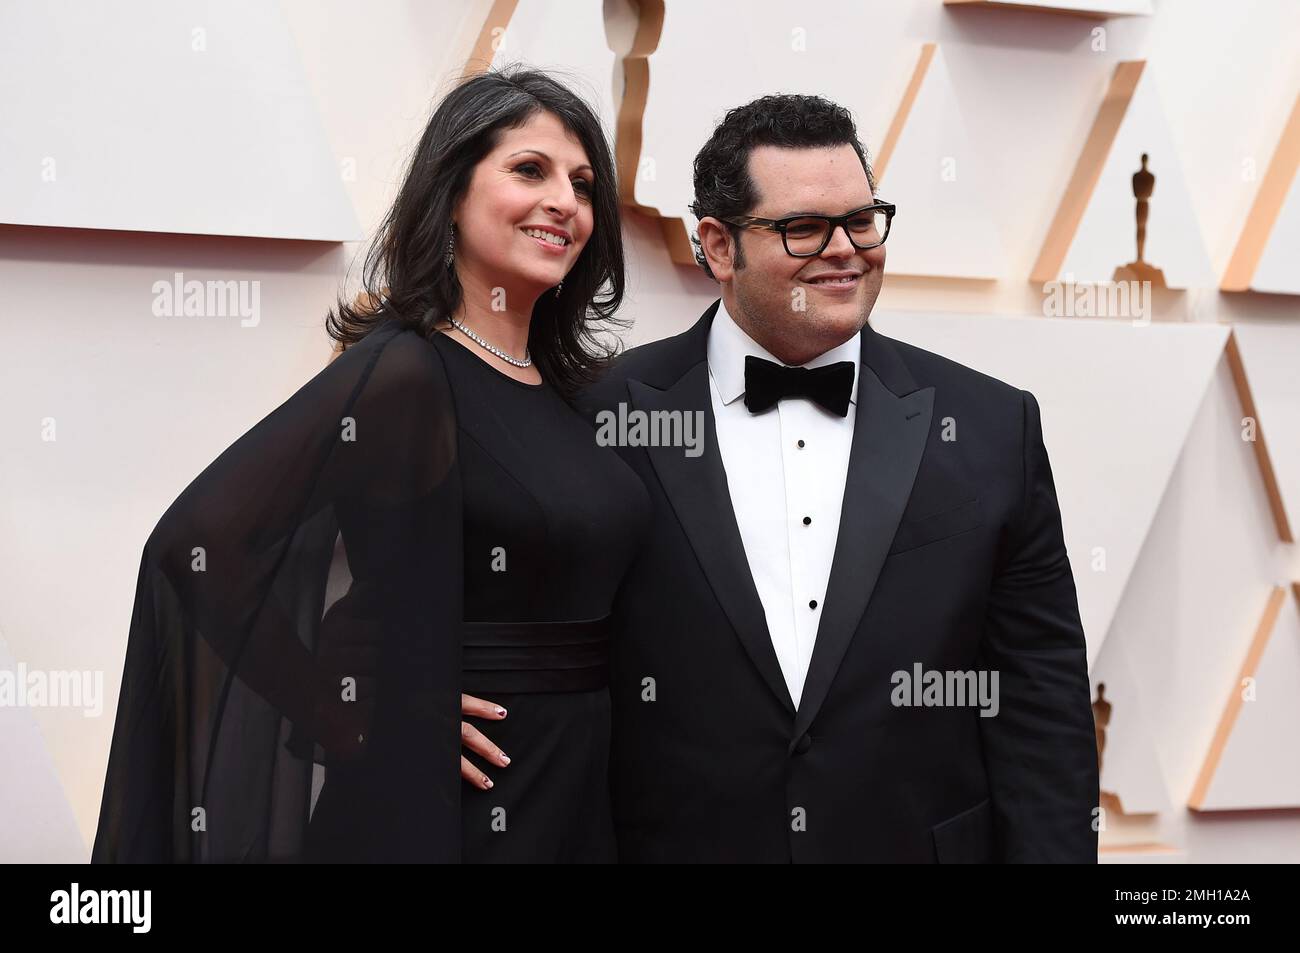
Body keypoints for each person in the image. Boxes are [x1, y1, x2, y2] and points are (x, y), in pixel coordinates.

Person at [471, 93, 1100, 862]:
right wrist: (412, 692)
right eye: (803, 227)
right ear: (718, 246)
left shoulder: (994, 426)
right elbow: (482, 614)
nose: (845, 249)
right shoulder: (594, 413)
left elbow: (1043, 706)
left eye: (862, 222)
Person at [92, 66, 648, 863]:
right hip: (446, 809)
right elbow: (199, 544)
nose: (566, 200)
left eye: (585, 183)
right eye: (530, 169)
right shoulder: (406, 372)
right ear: (452, 192)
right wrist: (350, 715)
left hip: (577, 794)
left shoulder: (574, 394)